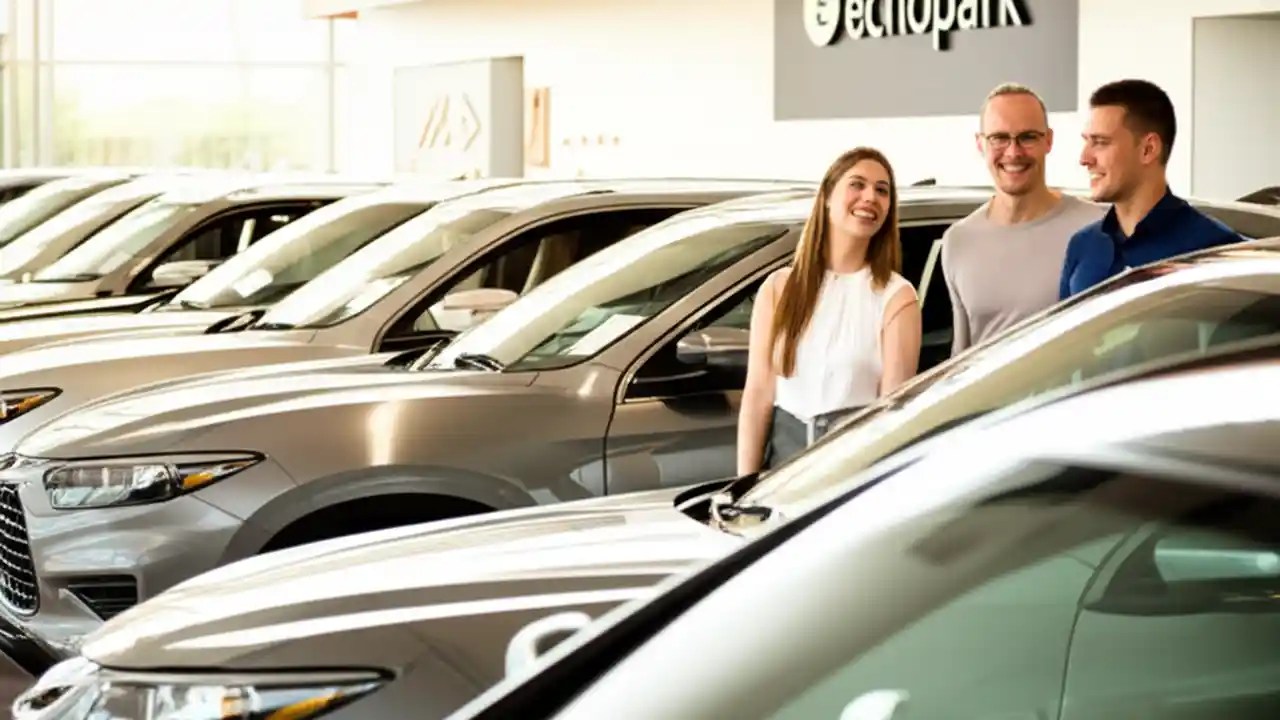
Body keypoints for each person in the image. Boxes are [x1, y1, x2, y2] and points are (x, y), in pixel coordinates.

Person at [736, 147, 921, 474]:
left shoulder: (897, 297)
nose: (870, 197)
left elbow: (892, 415)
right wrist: (744, 486)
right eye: (857, 184)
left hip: (851, 475)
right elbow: (758, 395)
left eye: (882, 190)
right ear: (826, 196)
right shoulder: (778, 288)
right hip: (781, 473)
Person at [942, 83, 1106, 356]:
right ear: (980, 144)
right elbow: (961, 357)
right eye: (999, 138)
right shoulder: (959, 241)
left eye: (1027, 137)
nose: (1013, 152)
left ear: (1048, 140)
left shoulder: (1097, 228)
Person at [1059, 79, 1242, 298]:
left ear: (1148, 149)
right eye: (1086, 141)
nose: (1084, 158)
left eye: (1100, 142)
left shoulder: (1216, 250)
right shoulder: (1083, 245)